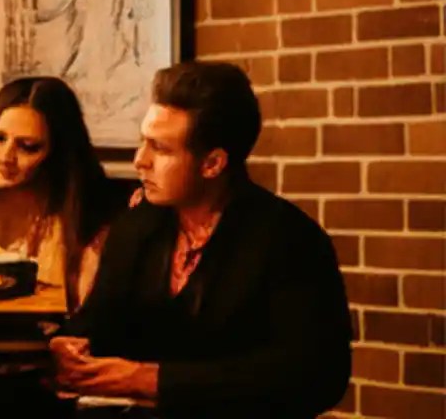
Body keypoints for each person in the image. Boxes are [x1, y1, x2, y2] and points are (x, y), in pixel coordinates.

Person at [52, 61, 352, 418]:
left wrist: (150, 379)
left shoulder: (288, 239)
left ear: (212, 163)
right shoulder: (138, 226)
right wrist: (67, 344)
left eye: (160, 149)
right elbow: (99, 322)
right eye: (142, 142)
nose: (139, 161)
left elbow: (314, 376)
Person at [0, 76, 130, 311]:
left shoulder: (87, 216)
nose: (6, 157)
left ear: (58, 153)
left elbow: (87, 315)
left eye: (27, 146)